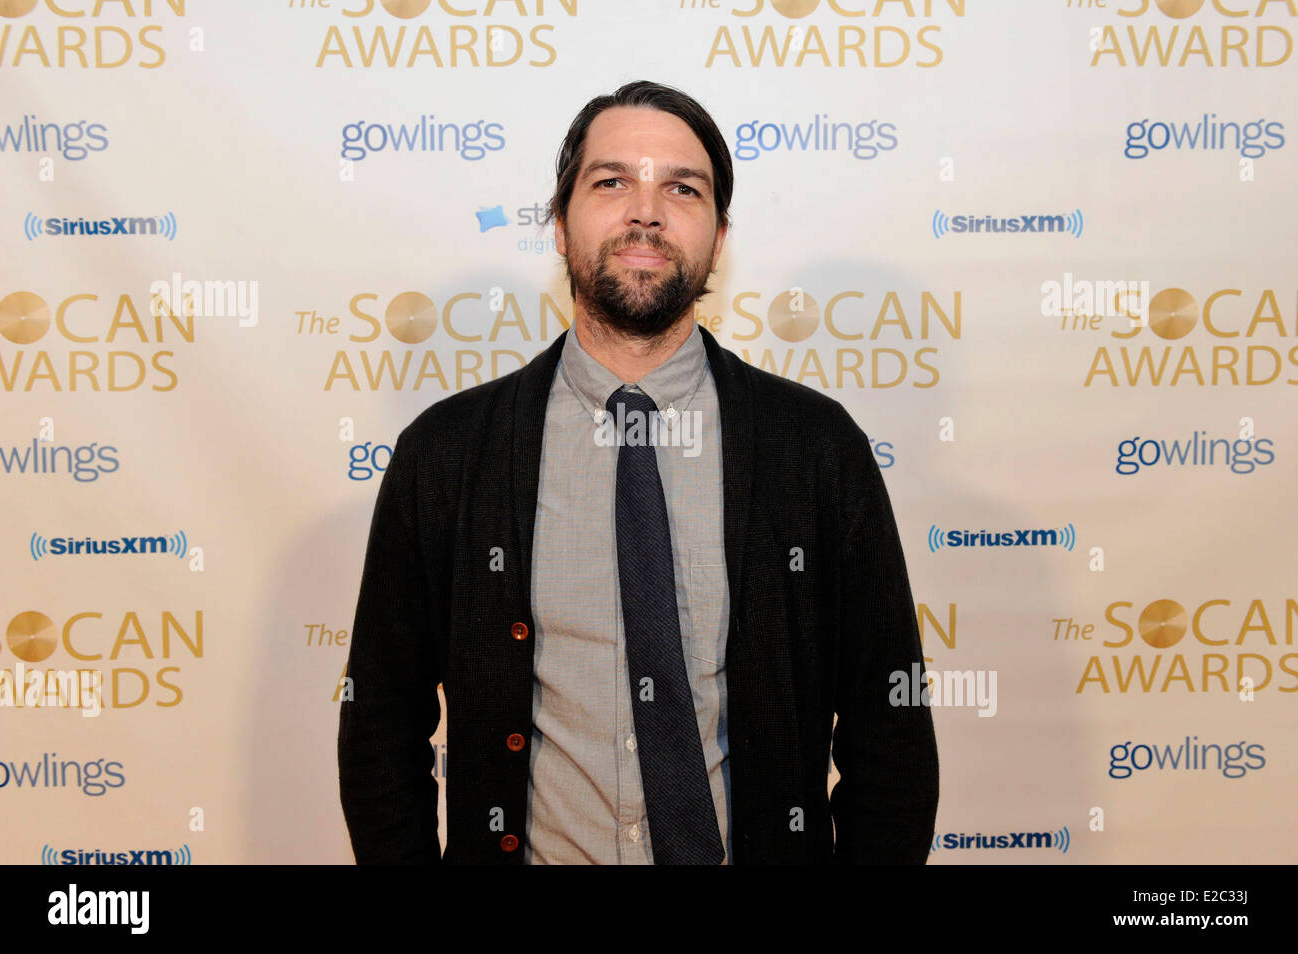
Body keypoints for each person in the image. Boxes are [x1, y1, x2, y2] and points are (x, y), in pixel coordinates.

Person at [338, 80, 938, 865]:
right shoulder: (446, 455)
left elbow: (889, 732)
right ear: (559, 223)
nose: (645, 211)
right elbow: (380, 721)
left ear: (720, 235)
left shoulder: (817, 450)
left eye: (681, 188)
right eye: (612, 181)